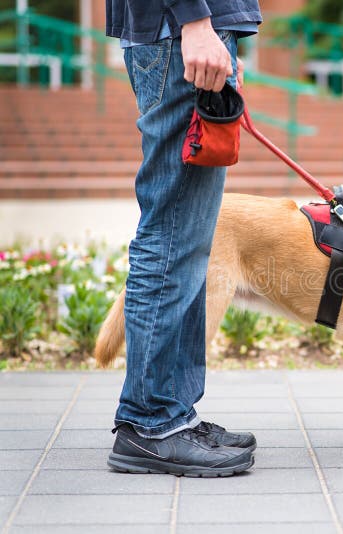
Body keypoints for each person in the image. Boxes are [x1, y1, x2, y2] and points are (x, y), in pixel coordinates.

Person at [104, 1, 262, 477]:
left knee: (188, 243)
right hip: (180, 31)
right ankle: (151, 424)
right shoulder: (188, 27)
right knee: (172, 232)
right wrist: (195, 22)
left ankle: (175, 413)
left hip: (185, 33)